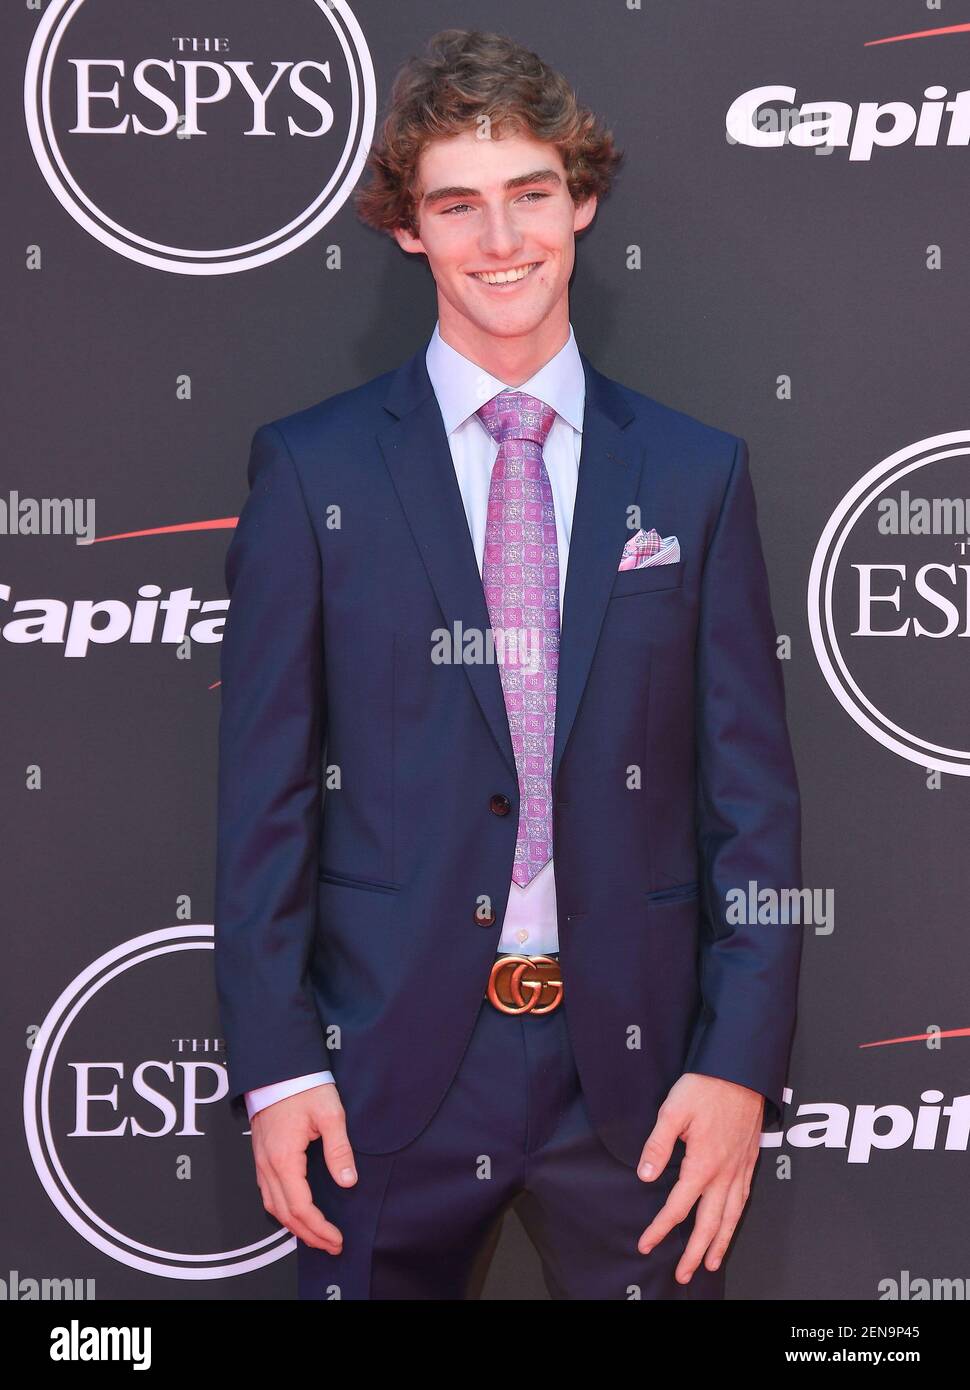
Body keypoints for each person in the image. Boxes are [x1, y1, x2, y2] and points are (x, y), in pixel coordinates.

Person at [214, 28, 803, 1301]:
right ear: (405, 230)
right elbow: (261, 799)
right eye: (456, 205)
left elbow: (750, 804)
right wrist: (278, 1065)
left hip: (639, 1082)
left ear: (580, 201)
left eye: (531, 195)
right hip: (382, 1082)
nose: (501, 240)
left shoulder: (695, 476)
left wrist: (740, 1063)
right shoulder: (312, 471)